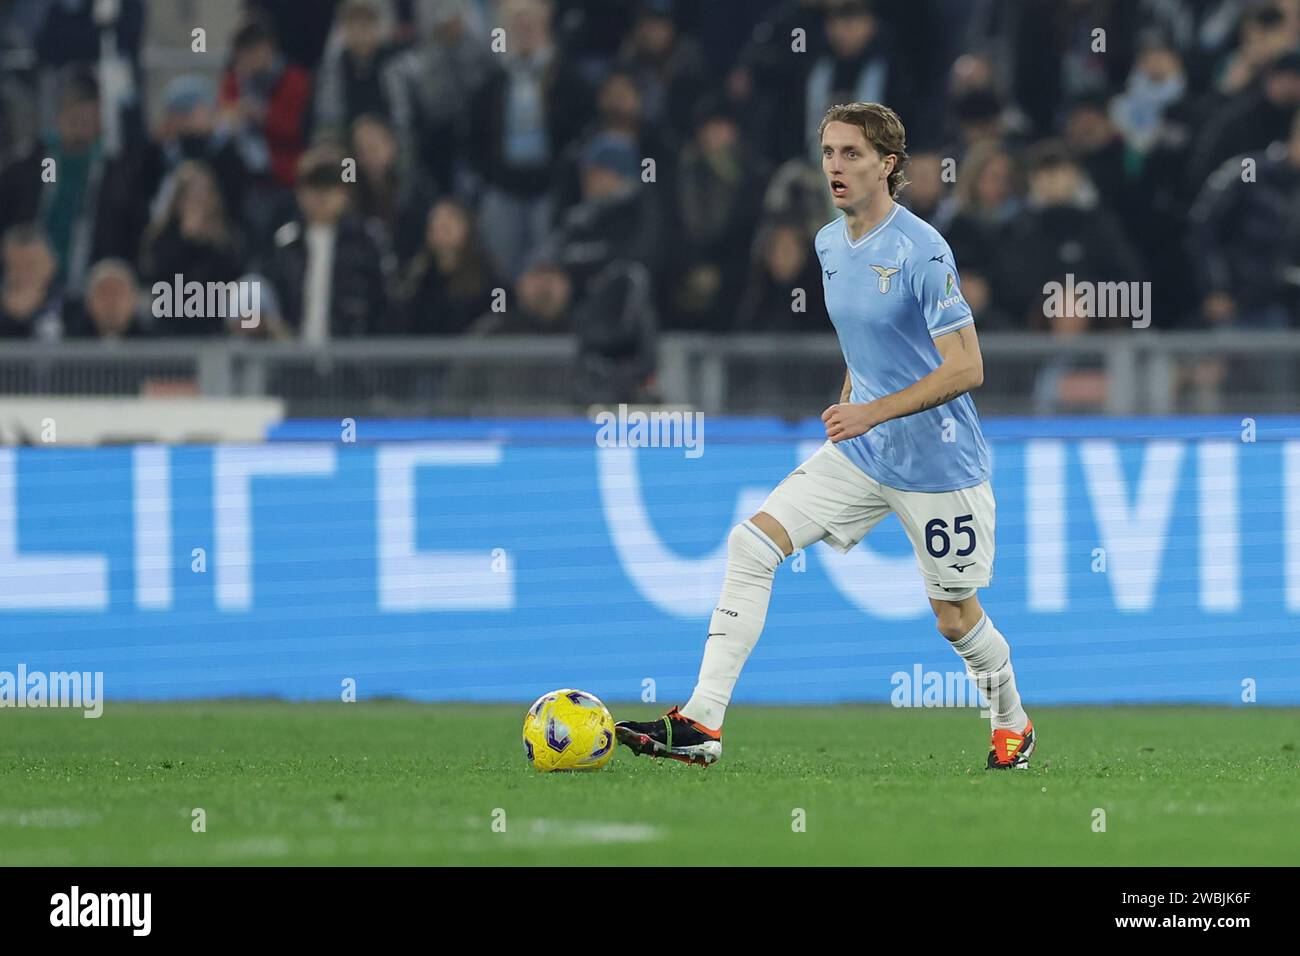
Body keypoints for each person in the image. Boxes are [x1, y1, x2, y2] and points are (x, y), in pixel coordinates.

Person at [616, 102, 1035, 771]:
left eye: (851, 154)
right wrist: (853, 396)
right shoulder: (828, 243)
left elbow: (968, 366)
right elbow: (868, 342)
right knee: (751, 542)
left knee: (954, 619)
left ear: (888, 166)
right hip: (864, 453)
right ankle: (701, 722)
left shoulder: (923, 250)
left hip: (939, 464)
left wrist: (873, 410)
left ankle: (1010, 717)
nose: (835, 167)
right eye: (828, 152)